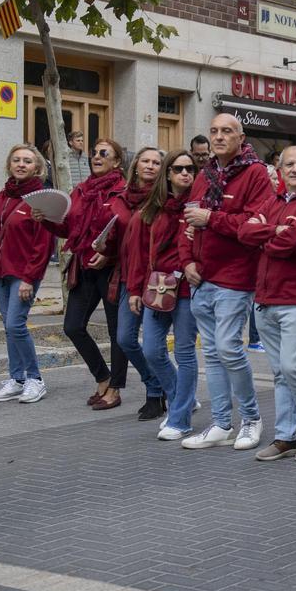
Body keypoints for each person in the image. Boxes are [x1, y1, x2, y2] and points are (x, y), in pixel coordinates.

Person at [178, 113, 274, 451]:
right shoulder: (205, 175)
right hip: (201, 276)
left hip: (235, 276)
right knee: (215, 354)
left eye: (227, 131)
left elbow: (255, 225)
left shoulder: (255, 173)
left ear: (241, 136)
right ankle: (221, 423)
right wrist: (186, 260)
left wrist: (212, 218)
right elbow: (187, 220)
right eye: (214, 131)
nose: (219, 137)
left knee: (230, 348)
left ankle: (251, 419)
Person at [237, 146, 296, 462]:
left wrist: (264, 234)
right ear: (279, 169)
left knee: (294, 366)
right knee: (279, 372)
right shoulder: (271, 201)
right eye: (288, 164)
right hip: (265, 299)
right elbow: (243, 232)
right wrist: (273, 230)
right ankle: (286, 437)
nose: (295, 169)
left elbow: (294, 242)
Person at [35, 137, 129, 410]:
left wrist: (110, 254)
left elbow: (126, 231)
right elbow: (68, 228)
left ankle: (115, 389)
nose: (96, 156)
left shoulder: (123, 191)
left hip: (111, 269)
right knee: (72, 326)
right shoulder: (81, 190)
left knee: (117, 332)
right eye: (94, 153)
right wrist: (48, 221)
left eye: (103, 153)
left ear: (117, 161)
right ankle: (102, 376)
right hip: (84, 266)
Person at [127, 151, 199, 441]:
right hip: (156, 289)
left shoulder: (200, 206)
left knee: (184, 352)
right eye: (178, 168)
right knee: (152, 350)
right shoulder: (152, 209)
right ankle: (182, 396)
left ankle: (179, 416)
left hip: (187, 291)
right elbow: (138, 254)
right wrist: (134, 289)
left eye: (190, 168)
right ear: (167, 173)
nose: (185, 173)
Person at [0, 144, 55, 404]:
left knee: (15, 325)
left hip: (24, 275)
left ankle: (35, 379)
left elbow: (44, 245)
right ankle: (17, 379)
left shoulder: (40, 199)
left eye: (27, 161)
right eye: (16, 160)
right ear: (9, 165)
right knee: (9, 327)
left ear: (37, 167)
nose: (21, 164)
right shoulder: (2, 197)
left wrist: (29, 278)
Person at [109, 146, 164, 421]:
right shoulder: (121, 198)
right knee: (125, 339)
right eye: (146, 161)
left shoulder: (163, 199)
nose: (150, 166)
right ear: (136, 165)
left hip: (155, 281)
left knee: (155, 344)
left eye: (156, 162)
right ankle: (157, 384)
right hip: (126, 278)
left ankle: (157, 394)